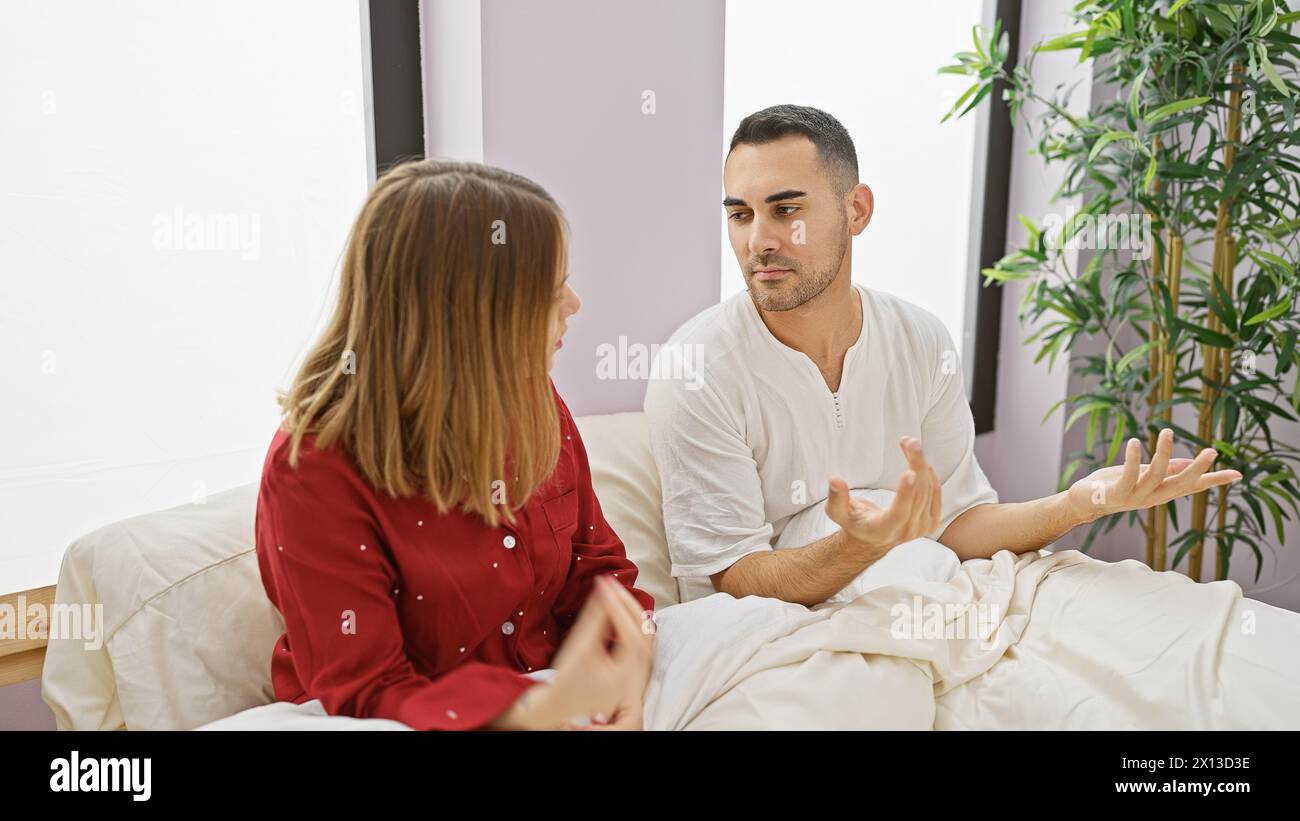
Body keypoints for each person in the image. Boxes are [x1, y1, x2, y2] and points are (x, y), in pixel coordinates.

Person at [644, 104, 1241, 606]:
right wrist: (864, 543)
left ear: (857, 210)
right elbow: (735, 577)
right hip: (773, 639)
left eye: (787, 209)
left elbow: (957, 526)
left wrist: (1079, 503)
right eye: (740, 215)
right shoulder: (696, 369)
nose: (759, 241)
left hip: (921, 595)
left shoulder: (921, 340)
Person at [255, 159, 656, 730]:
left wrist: (623, 680)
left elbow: (600, 572)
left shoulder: (532, 396)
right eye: (550, 289)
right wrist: (536, 710)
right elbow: (369, 690)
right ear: (469, 315)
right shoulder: (313, 470)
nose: (575, 304)